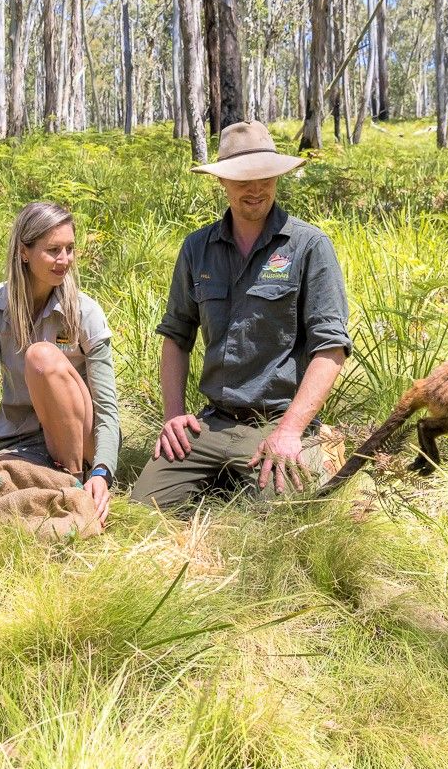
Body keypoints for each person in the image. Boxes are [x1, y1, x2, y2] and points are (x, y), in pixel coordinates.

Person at [130, 121, 352, 509]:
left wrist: (290, 431)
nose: (255, 189)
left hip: (278, 419)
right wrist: (173, 417)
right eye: (242, 179)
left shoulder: (308, 246)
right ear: (221, 182)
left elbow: (330, 349)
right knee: (143, 508)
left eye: (265, 176)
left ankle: (318, 445)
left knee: (280, 517)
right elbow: (176, 336)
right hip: (212, 420)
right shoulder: (197, 247)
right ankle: (227, 473)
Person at [0, 202, 119, 526]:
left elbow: (107, 405)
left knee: (41, 357)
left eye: (70, 249)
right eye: (54, 250)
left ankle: (74, 482)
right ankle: (39, 484)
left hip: (79, 442)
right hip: (20, 440)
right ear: (24, 252)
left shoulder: (85, 312)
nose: (65, 260)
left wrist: (102, 470)